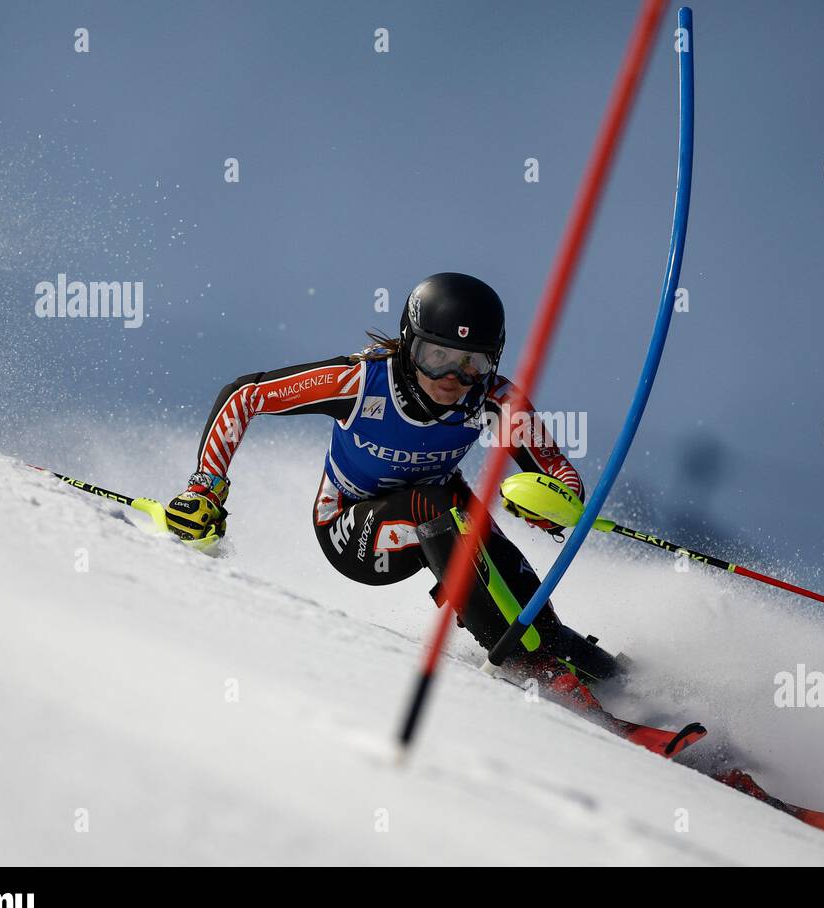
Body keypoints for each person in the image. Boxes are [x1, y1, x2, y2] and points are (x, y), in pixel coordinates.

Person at [166, 273, 620, 694]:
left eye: (472, 364)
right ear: (409, 346)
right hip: (350, 528)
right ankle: (529, 666)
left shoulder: (494, 397)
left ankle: (603, 673)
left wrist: (553, 503)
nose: (451, 379)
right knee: (437, 505)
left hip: (447, 515)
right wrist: (206, 487)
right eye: (435, 357)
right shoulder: (361, 383)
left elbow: (560, 474)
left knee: (506, 567)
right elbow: (246, 395)